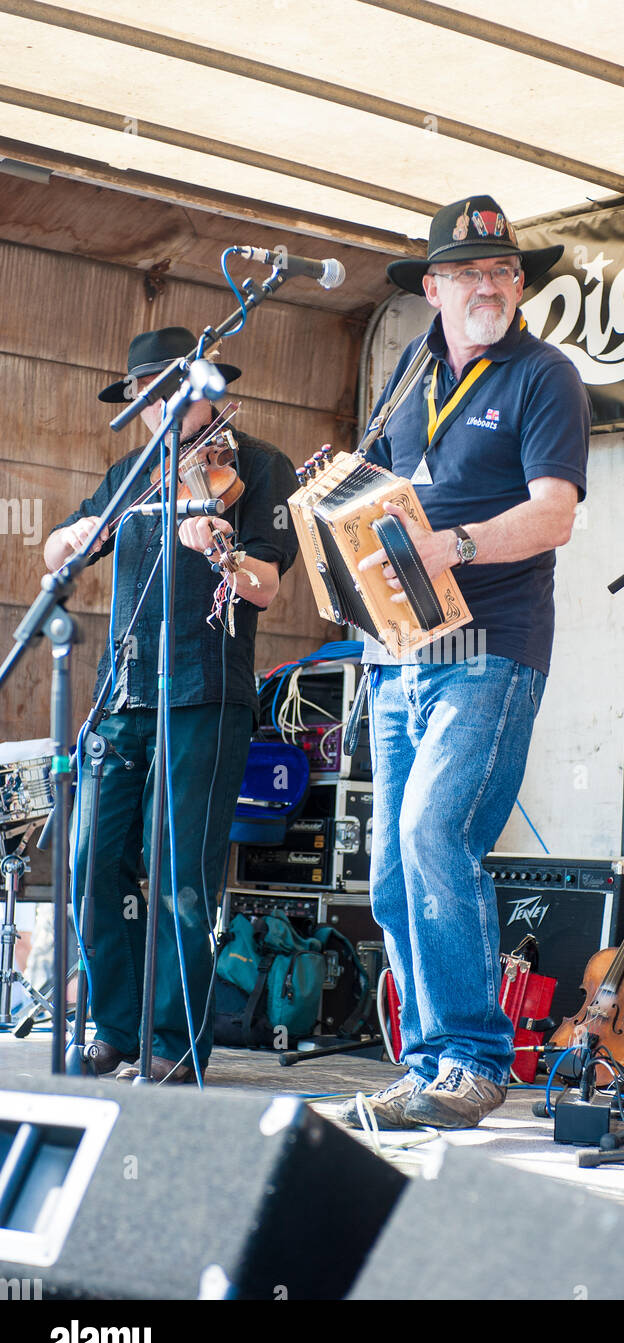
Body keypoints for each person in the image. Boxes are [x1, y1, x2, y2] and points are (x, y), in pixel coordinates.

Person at [335, 195, 591, 1131]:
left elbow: (554, 513)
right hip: (400, 655)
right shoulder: (407, 372)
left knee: (433, 837)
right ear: (433, 288)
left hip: (490, 650)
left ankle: (476, 1062)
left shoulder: (544, 375)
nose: (489, 286)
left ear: (519, 284)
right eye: (469, 273)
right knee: (394, 877)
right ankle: (433, 1063)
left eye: (504, 272)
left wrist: (459, 546)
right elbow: (379, 493)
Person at [43, 327, 297, 1082]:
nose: (157, 409)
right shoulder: (130, 472)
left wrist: (215, 547)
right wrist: (74, 534)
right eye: (144, 398)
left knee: (181, 867)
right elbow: (57, 551)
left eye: (170, 394)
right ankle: (115, 1026)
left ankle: (174, 1040)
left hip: (204, 690)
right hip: (122, 692)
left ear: (206, 392)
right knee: (94, 862)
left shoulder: (257, 466)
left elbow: (267, 585)